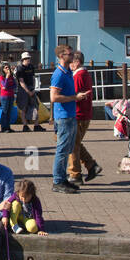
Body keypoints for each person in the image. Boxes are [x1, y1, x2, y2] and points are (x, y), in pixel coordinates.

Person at [48, 44, 86, 194]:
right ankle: (57, 181)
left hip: (71, 115)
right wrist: (74, 97)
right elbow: (53, 97)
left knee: (68, 148)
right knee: (62, 150)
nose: (72, 57)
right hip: (63, 117)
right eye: (69, 54)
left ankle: (63, 179)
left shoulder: (68, 72)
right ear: (61, 56)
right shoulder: (58, 74)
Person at [68, 50, 99, 183]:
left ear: (76, 62)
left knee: (72, 144)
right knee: (75, 143)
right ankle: (91, 164)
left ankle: (75, 173)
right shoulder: (83, 74)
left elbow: (74, 95)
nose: (69, 65)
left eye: (71, 62)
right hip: (83, 113)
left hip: (79, 114)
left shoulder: (79, 76)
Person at [15, 52, 42, 132]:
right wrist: (27, 91)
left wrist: (33, 88)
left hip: (31, 88)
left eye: (29, 58)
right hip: (23, 90)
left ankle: (36, 125)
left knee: (36, 106)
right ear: (23, 60)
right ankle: (25, 125)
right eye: (27, 59)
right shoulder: (20, 68)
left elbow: (33, 78)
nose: (28, 60)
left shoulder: (31, 67)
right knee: (24, 108)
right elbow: (21, 81)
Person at [0, 63, 15, 132]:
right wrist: (7, 77)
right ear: (3, 69)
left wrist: (7, 87)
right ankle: (4, 128)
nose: (7, 69)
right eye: (6, 68)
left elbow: (14, 85)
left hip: (11, 96)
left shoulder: (11, 76)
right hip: (4, 96)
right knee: (4, 112)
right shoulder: (1, 77)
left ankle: (8, 127)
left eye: (8, 68)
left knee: (9, 112)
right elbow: (4, 85)